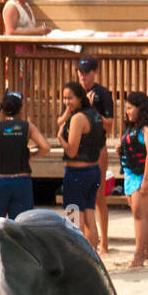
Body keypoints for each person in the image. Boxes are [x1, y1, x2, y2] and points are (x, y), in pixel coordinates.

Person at [0, 91, 51, 275]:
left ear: (3, 109)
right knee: (21, 225)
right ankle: (22, 266)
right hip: (21, 179)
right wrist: (31, 154)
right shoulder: (27, 127)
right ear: (20, 109)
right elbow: (46, 147)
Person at [118, 91, 148, 269]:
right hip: (131, 175)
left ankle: (139, 255)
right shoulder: (133, 126)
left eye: (130, 108)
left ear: (140, 108)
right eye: (126, 108)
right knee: (141, 213)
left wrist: (145, 181)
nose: (127, 112)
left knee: (139, 214)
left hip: (147, 175)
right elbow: (132, 144)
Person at [57, 80, 105, 251]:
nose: (66, 102)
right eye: (63, 98)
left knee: (74, 219)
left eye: (69, 98)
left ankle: (77, 255)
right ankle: (92, 255)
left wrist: (60, 138)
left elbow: (71, 151)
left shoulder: (78, 118)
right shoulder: (95, 115)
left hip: (77, 174)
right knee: (90, 217)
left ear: (79, 98)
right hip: (93, 171)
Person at [76, 56, 114, 256]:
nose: (82, 75)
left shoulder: (102, 94)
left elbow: (109, 124)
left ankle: (104, 242)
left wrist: (91, 111)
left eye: (86, 71)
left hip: (97, 147)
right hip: (78, 148)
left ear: (94, 72)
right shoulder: (74, 93)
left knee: (98, 195)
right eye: (80, 72)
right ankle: (82, 240)